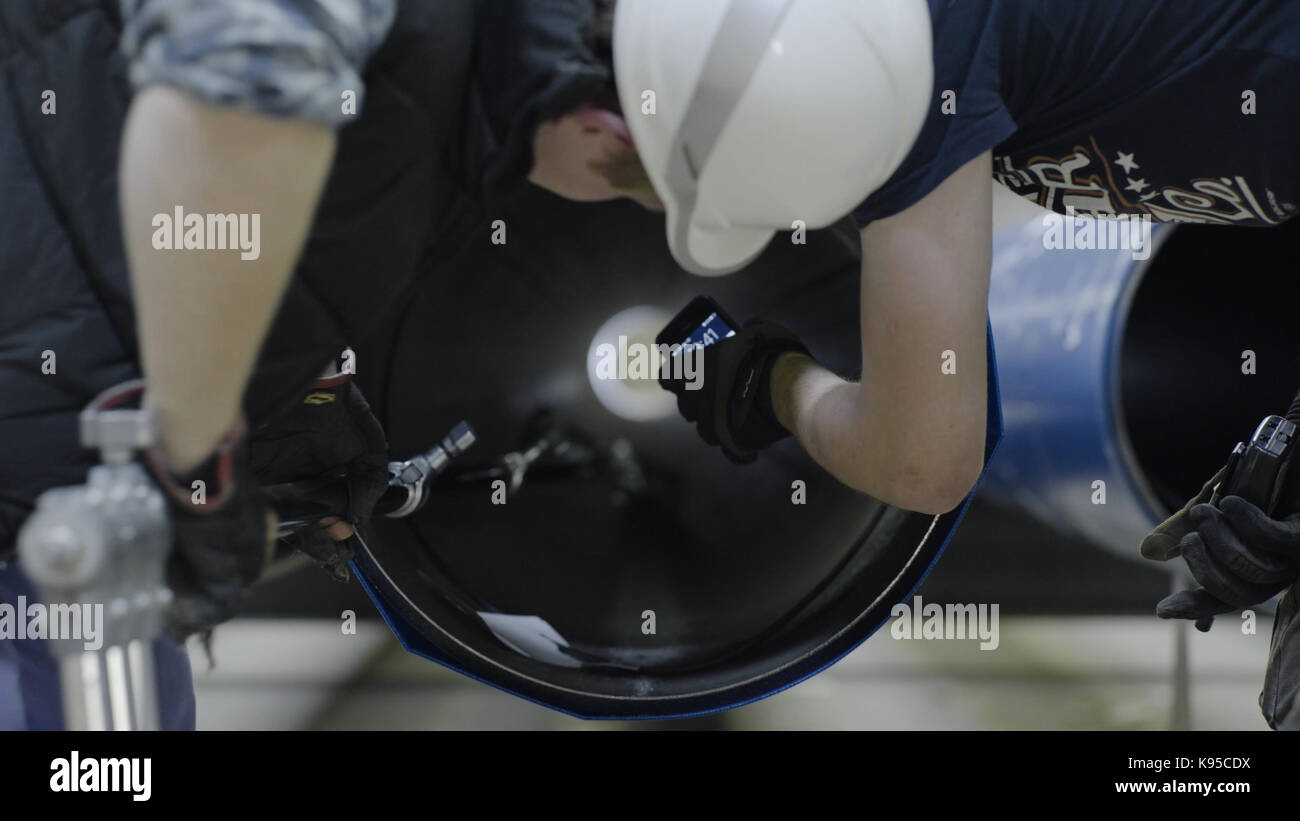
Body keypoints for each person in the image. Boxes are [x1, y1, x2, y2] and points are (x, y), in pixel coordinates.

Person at [554, 0, 1299, 726]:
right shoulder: (914, 60)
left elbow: (923, 462)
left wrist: (770, 382)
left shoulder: (879, 64)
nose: (647, 210)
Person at [0, 0, 628, 729]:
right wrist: (193, 448)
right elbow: (235, 85)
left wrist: (261, 396)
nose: (644, 216)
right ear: (605, 123)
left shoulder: (456, 86)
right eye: (653, 194)